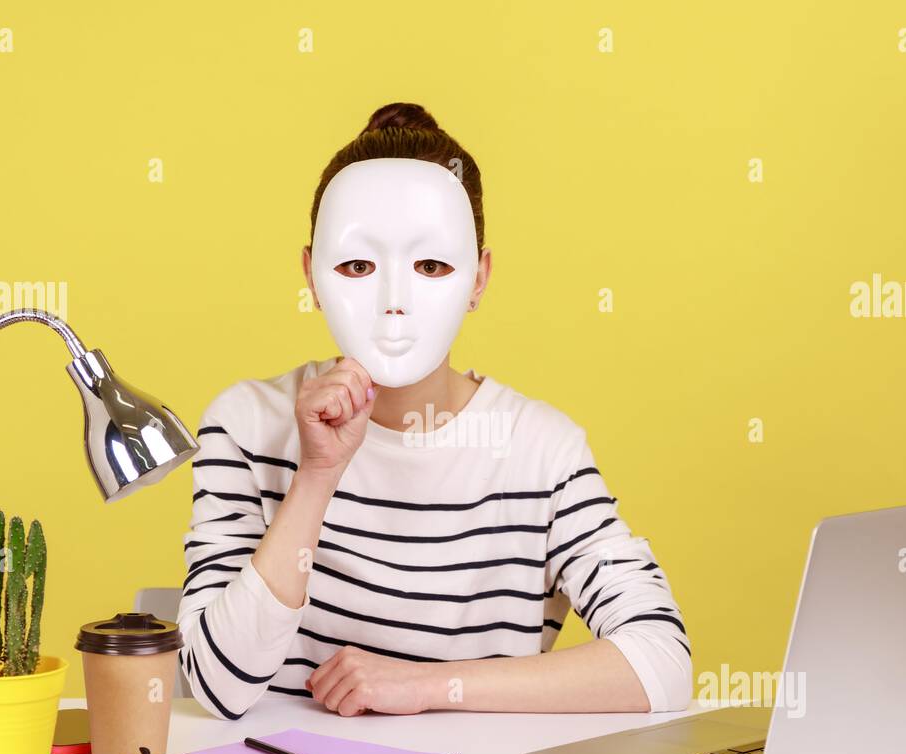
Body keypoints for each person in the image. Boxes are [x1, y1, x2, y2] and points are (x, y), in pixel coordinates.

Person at [178, 102, 691, 719]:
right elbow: (216, 687)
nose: (395, 301)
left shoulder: (540, 450)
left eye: (431, 265)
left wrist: (427, 686)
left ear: (479, 277)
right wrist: (317, 476)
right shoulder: (246, 426)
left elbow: (661, 663)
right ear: (310, 275)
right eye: (358, 265)